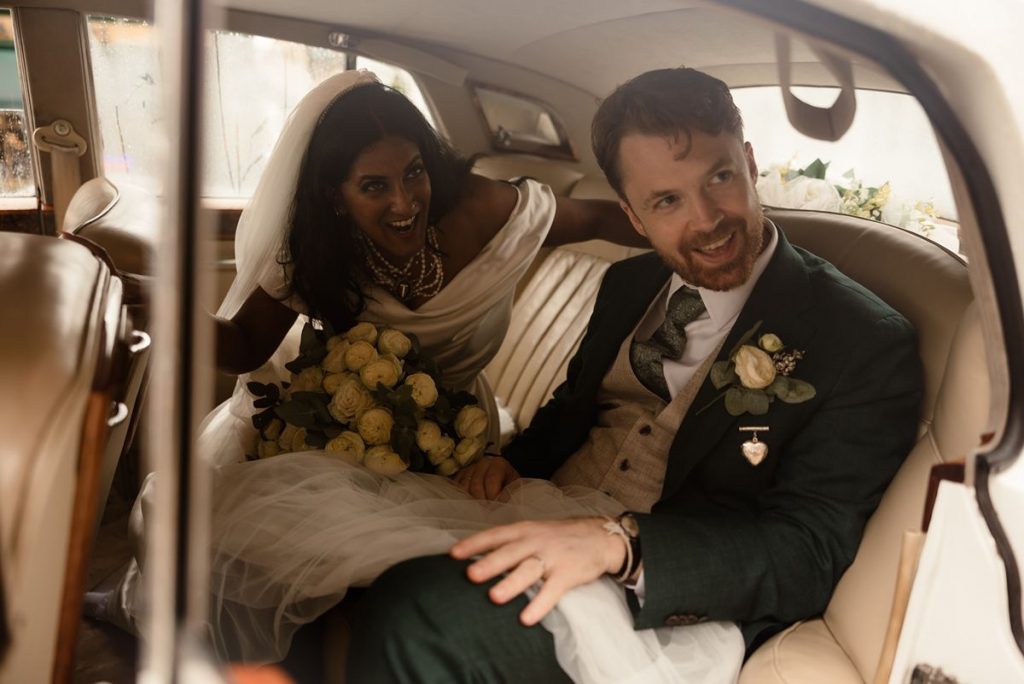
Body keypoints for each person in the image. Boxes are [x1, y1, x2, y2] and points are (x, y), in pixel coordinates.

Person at [345, 67, 924, 682]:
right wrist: (510, 462)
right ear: (634, 216)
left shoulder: (861, 339)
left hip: (663, 598)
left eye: (719, 178)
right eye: (667, 201)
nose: (707, 220)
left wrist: (622, 547)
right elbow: (570, 410)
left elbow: (811, 549)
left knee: (414, 611)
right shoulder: (627, 284)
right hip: (543, 511)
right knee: (351, 552)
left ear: (751, 164)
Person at [90, 69, 649, 656]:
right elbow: (244, 348)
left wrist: (700, 227)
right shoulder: (314, 250)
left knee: (418, 565)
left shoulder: (486, 209)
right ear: (335, 194)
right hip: (344, 436)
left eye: (414, 172)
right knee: (248, 545)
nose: (405, 202)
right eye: (374, 186)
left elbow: (598, 219)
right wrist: (164, 301)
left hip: (455, 435)